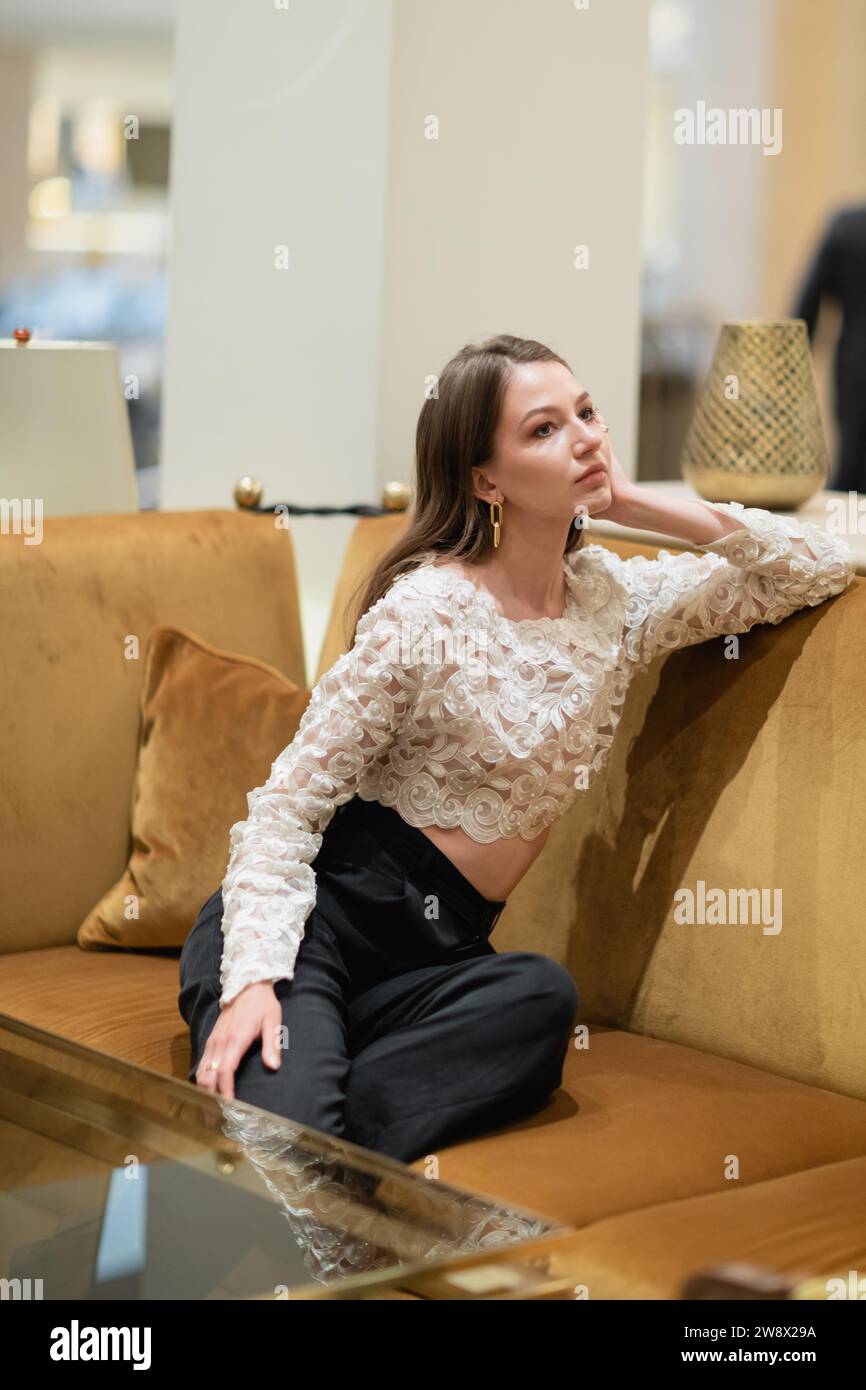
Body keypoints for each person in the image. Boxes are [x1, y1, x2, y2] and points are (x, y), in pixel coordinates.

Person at [179, 333, 856, 1164]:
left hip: (438, 961)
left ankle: (307, 1129)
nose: (582, 437)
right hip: (311, 928)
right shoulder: (423, 616)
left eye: (586, 413)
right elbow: (283, 813)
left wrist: (637, 505)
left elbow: (817, 565)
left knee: (540, 997)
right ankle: (300, 1117)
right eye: (543, 429)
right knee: (294, 1127)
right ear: (484, 480)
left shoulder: (614, 601)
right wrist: (252, 979)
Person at [791, 202, 866, 493]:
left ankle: (846, 535)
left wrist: (789, 372)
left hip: (855, 363)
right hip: (853, 362)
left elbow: (808, 304)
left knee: (851, 461)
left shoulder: (847, 224)